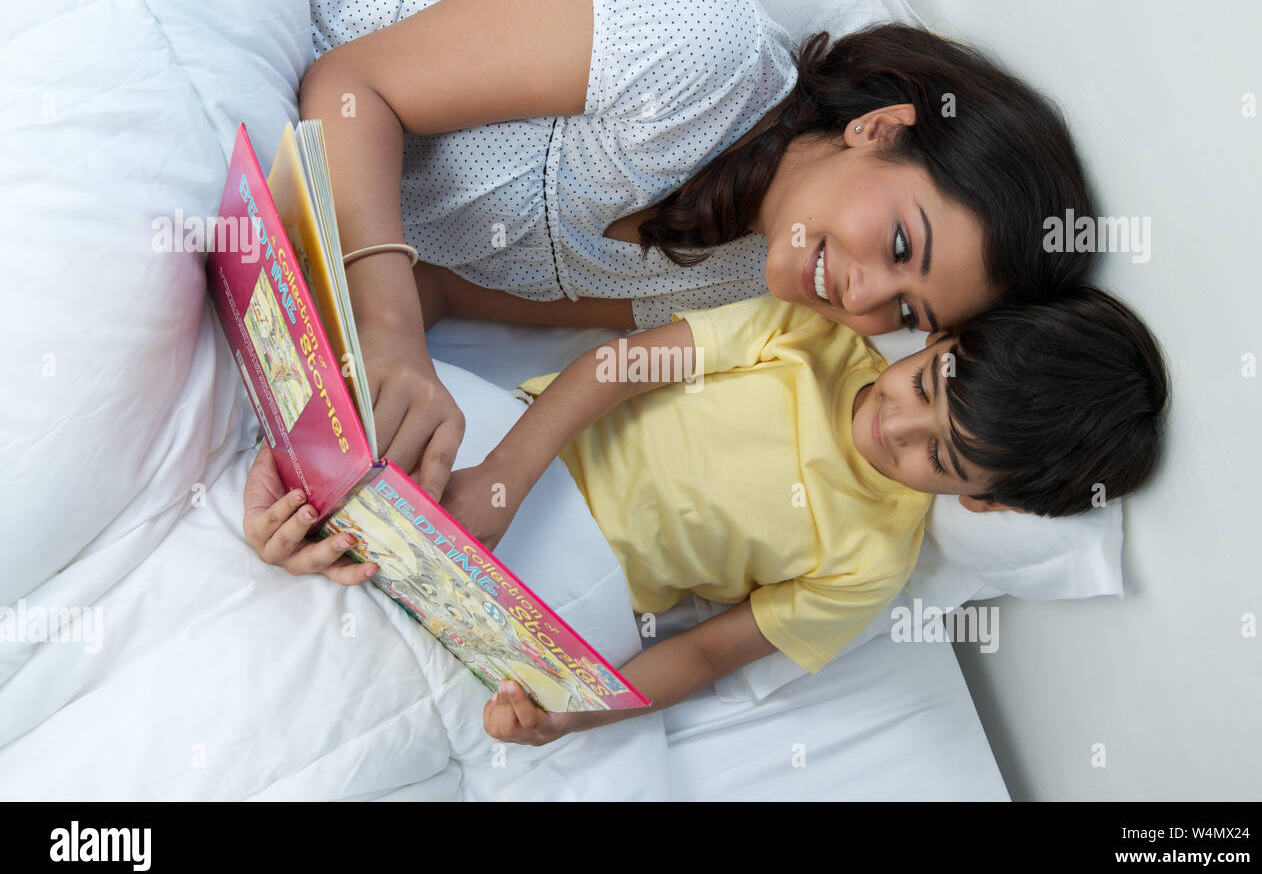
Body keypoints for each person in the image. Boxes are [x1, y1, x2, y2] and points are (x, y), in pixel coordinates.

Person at [282, 0, 1098, 504]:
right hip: (297, 15)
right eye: (898, 244)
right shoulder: (701, 49)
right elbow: (352, 87)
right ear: (881, 127)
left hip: (298, 190)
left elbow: (448, 294)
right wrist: (387, 334)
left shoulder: (745, 278)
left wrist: (351, 426)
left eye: (909, 312)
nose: (864, 296)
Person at [245, 286, 1169, 744]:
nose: (900, 422)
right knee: (370, 452)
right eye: (929, 384)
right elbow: (616, 366)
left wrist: (573, 715)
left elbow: (706, 652)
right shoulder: (805, 337)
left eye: (942, 453)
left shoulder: (873, 563)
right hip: (522, 443)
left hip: (586, 575)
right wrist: (506, 477)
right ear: (939, 339)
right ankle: (283, 512)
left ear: (983, 498)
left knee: (397, 685)